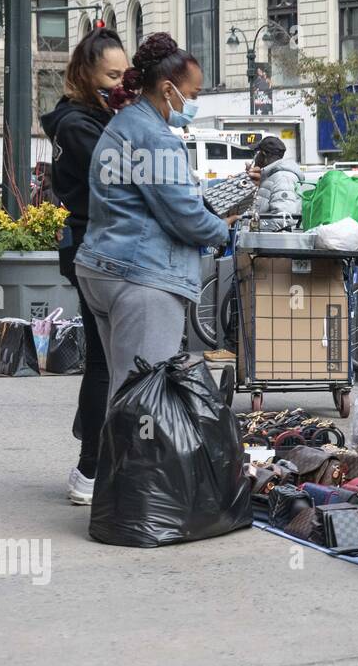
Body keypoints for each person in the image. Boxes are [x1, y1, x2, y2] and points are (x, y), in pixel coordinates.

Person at [75, 32, 238, 405]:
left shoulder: (123, 124)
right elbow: (183, 214)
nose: (193, 103)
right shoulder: (155, 137)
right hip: (142, 275)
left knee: (125, 389)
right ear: (168, 89)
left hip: (106, 266)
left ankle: (117, 464)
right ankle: (138, 465)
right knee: (144, 399)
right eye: (192, 94)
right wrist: (219, 228)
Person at [39, 27, 130, 506]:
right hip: (94, 248)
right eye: (111, 75)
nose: (120, 83)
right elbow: (117, 177)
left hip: (93, 247)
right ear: (85, 73)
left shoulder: (88, 118)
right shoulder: (78, 124)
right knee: (103, 360)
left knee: (107, 360)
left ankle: (95, 458)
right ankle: (90, 467)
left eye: (124, 73)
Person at [250, 136, 303, 219]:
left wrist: (253, 226)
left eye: (256, 154)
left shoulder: (283, 178)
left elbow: (284, 219)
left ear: (263, 154)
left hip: (268, 232)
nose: (254, 158)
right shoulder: (270, 177)